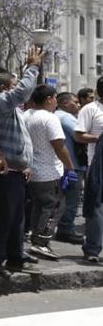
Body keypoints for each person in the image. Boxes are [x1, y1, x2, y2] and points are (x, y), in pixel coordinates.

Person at [0, 53, 41, 277]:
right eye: (14, 85)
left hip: (17, 170)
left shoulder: (13, 108)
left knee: (16, 219)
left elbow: (23, 138)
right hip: (4, 170)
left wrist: (27, 164)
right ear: (6, 87)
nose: (19, 91)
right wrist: (33, 67)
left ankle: (15, 256)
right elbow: (23, 92)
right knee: (2, 218)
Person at [25, 85, 75, 261]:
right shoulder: (49, 119)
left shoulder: (26, 115)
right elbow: (59, 146)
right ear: (48, 99)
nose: (56, 102)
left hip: (32, 170)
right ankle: (41, 242)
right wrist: (69, 167)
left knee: (39, 207)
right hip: (49, 171)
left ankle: (36, 239)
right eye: (54, 98)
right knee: (54, 207)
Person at [75, 77, 103, 262]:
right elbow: (79, 135)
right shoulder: (90, 109)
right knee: (96, 207)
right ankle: (92, 248)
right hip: (97, 164)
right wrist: (99, 139)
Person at [54, 91, 86, 244]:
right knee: (71, 200)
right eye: (75, 102)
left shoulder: (57, 116)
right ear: (65, 103)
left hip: (66, 164)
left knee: (65, 199)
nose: (78, 105)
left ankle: (64, 228)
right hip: (71, 165)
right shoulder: (65, 117)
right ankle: (66, 229)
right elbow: (80, 134)